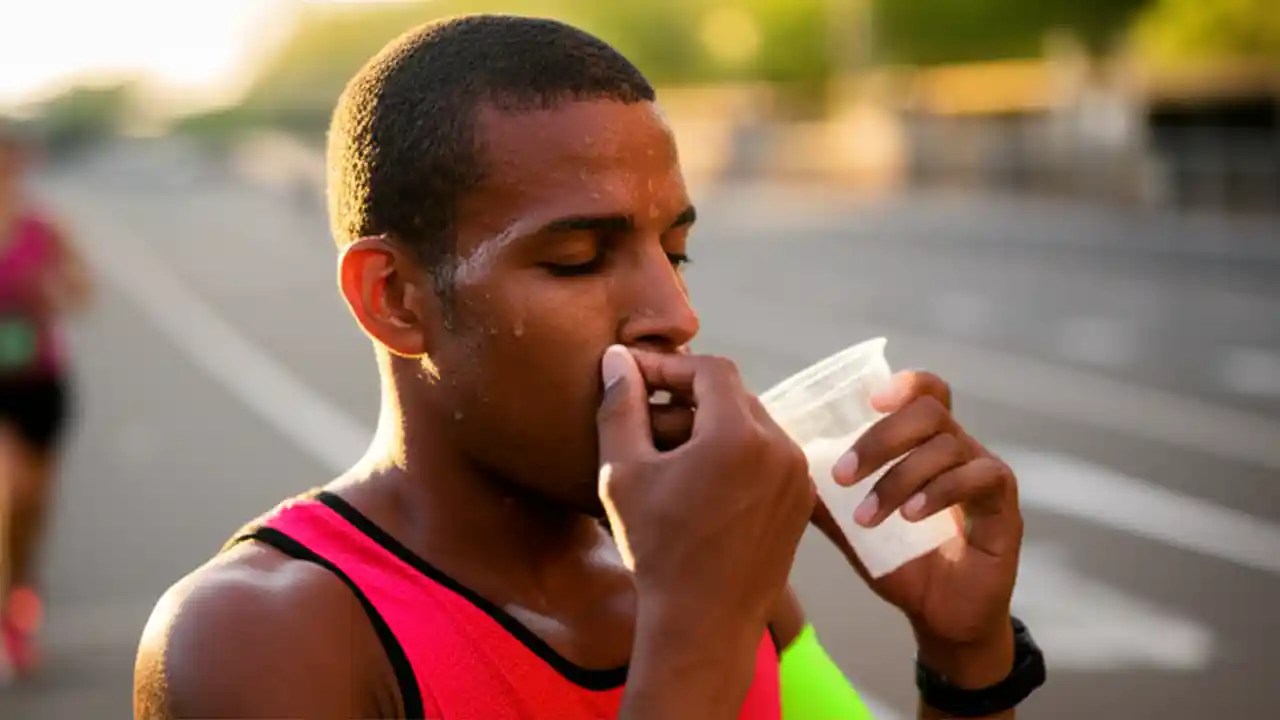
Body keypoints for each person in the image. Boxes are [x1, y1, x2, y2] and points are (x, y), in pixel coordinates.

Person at [134, 15, 1043, 719]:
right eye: (576, 259)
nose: (676, 317)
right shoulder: (266, 637)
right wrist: (693, 638)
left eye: (675, 253)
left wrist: (965, 658)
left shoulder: (709, 570)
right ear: (395, 298)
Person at [0, 123, 92, 680]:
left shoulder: (46, 228)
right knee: (8, 490)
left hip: (38, 382)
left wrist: (52, 291)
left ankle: (19, 604)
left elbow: (82, 291)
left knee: (30, 508)